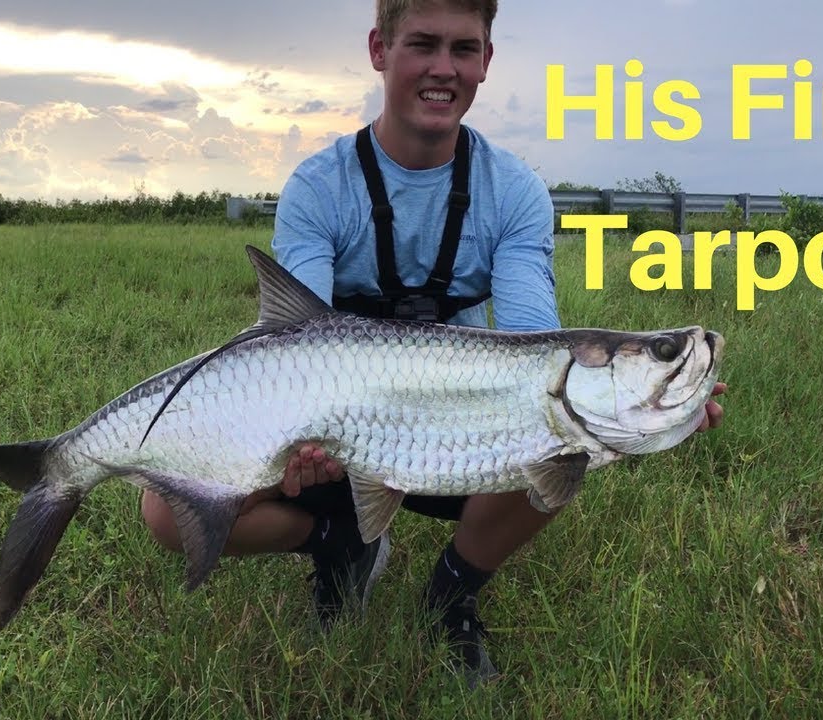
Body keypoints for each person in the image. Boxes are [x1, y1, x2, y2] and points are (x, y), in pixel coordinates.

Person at [141, 0, 726, 687]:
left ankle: (453, 593)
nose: (444, 68)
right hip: (331, 432)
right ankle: (338, 546)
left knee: (561, 442)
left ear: (486, 60)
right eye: (422, 44)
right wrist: (295, 443)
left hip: (457, 439)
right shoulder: (319, 187)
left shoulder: (514, 192)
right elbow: (294, 343)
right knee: (165, 512)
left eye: (464, 48)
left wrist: (640, 414)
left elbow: (535, 344)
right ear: (379, 50)